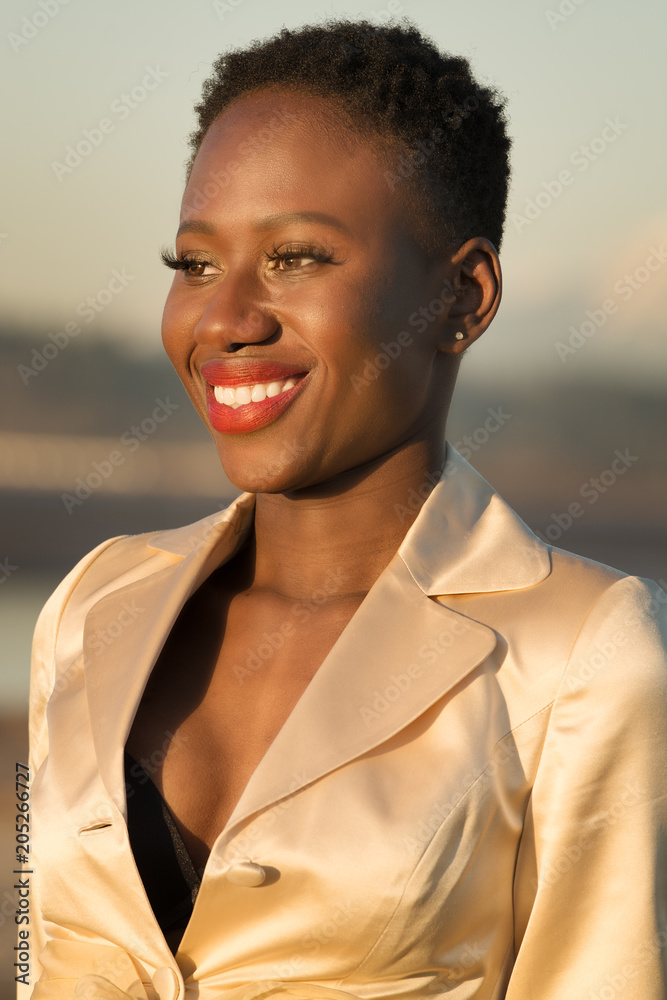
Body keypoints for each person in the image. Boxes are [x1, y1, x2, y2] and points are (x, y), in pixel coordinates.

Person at [23, 18, 667, 1000]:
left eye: (298, 257)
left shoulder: (582, 650)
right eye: (194, 263)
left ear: (463, 293)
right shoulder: (92, 605)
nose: (226, 317)